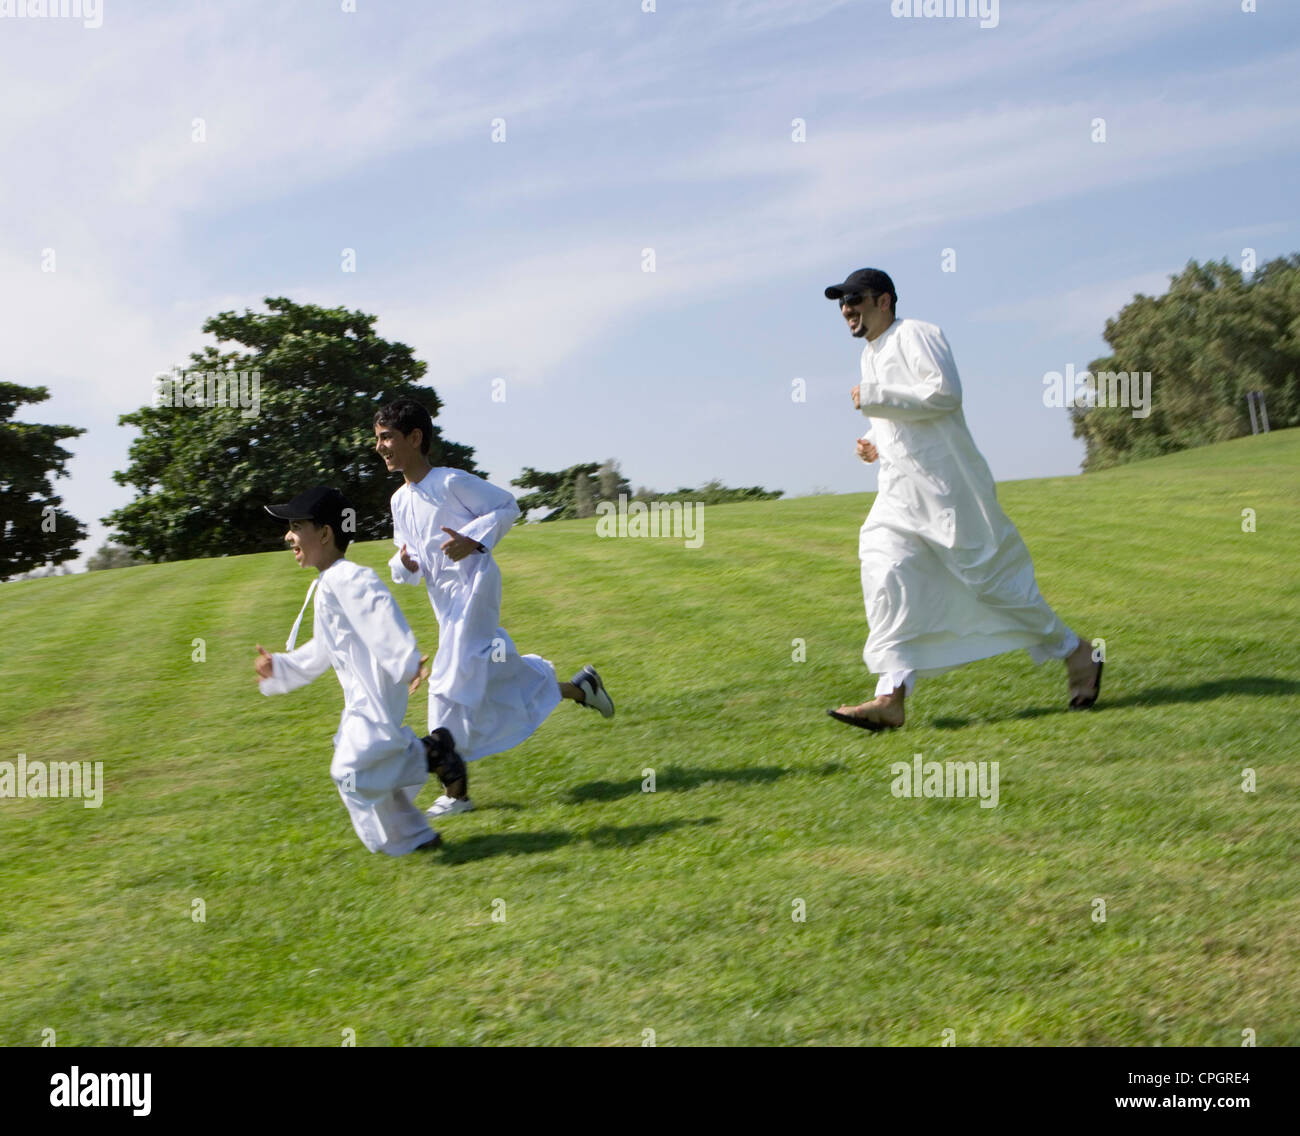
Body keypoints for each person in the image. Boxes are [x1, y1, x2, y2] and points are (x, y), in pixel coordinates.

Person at [822, 268, 1102, 731]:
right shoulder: (871, 355)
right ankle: (890, 697)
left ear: (885, 301)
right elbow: (899, 415)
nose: (847, 309)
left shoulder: (917, 334)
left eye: (856, 299)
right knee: (884, 570)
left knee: (990, 581)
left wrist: (875, 398)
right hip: (897, 492)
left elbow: (944, 394)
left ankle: (1076, 652)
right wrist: (874, 438)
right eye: (841, 303)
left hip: (947, 490)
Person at [373, 398, 614, 815]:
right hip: (445, 604)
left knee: (448, 682)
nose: (380, 447)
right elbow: (404, 555)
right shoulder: (398, 500)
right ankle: (579, 689)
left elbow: (507, 505)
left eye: (387, 437)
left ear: (415, 438)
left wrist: (472, 539)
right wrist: (406, 562)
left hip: (476, 589)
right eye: (377, 439)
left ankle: (455, 794)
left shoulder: (450, 482)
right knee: (486, 676)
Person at [253, 485, 444, 855]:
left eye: (295, 526)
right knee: (367, 770)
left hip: (374, 695)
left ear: (324, 533)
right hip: (361, 698)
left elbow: (380, 610)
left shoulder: (348, 577)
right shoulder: (328, 583)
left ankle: (429, 754)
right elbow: (323, 649)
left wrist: (405, 659)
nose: (287, 535)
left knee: (350, 772)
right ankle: (417, 837)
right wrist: (281, 666)